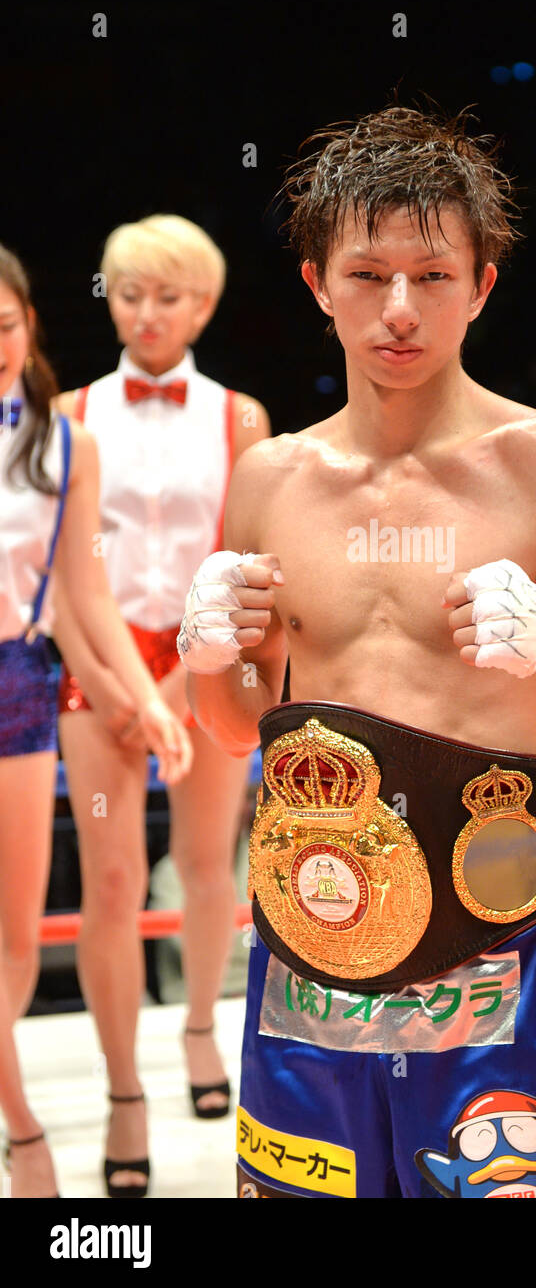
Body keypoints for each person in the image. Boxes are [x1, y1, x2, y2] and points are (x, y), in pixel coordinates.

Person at [181, 102, 536, 1200]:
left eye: (431, 275)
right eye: (368, 274)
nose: (399, 309)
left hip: (498, 959)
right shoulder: (269, 479)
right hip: (307, 961)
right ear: (316, 284)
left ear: (480, 285)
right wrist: (204, 660)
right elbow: (239, 725)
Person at [53, 215, 270, 1194]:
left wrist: (184, 680)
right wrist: (126, 687)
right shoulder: (64, 413)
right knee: (109, 878)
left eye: (168, 295)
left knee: (204, 863)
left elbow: (246, 558)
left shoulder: (243, 419)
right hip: (94, 658)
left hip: (209, 650)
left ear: (204, 305)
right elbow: (53, 567)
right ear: (109, 296)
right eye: (130, 292)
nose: (147, 312)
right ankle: (122, 1090)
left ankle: (197, 1031)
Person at [0, 245, 191, 1198]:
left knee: (24, 938)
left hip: (33, 679)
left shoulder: (62, 441)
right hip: (51, 681)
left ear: (29, 322)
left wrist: (152, 694)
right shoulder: (68, 426)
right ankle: (25, 1123)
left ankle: (140, 1079)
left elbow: (80, 593)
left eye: (2, 323)